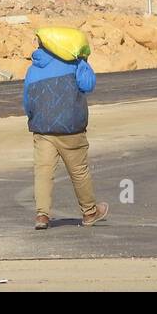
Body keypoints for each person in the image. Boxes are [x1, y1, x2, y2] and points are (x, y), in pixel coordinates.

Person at [23, 30, 109, 231]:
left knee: (43, 172)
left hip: (43, 128)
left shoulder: (32, 69)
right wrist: (83, 61)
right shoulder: (73, 64)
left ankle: (42, 216)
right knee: (79, 171)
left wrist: (34, 118)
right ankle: (89, 212)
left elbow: (27, 101)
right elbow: (88, 85)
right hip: (70, 128)